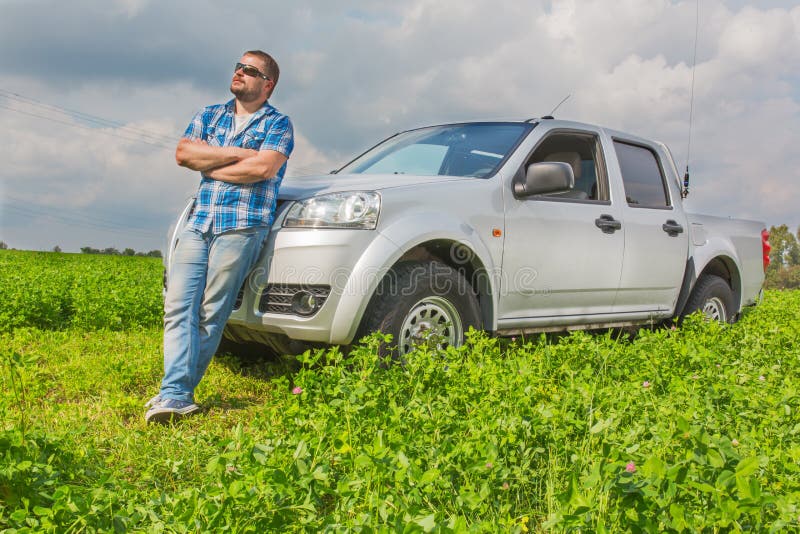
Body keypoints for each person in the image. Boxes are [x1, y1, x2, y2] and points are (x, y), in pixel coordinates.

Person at [145, 50, 294, 423]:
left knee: (212, 310)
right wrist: (235, 154)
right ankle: (175, 393)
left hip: (242, 225)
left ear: (267, 83)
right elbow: (183, 154)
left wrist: (211, 164)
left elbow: (262, 168)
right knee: (178, 306)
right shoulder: (209, 114)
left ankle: (175, 394)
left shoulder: (279, 123)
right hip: (200, 222)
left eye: (250, 70)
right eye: (238, 67)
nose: (240, 72)